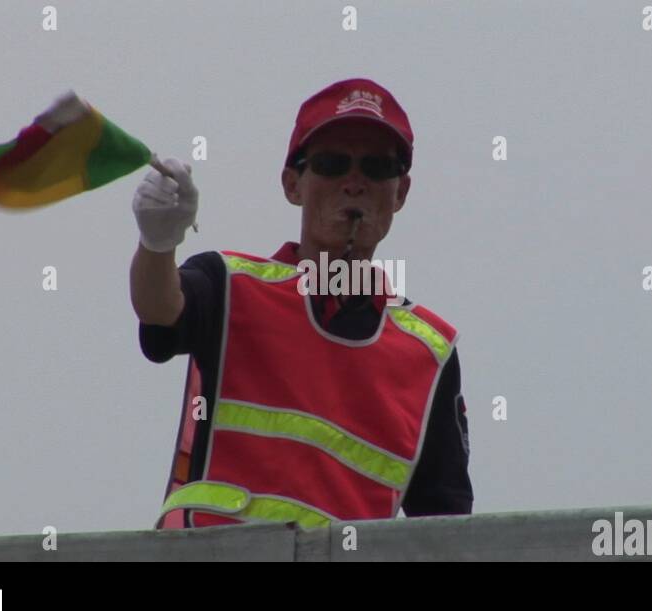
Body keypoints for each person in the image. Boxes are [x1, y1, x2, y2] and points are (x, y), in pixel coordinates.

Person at [130, 78, 473, 529]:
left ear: (400, 193)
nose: (355, 183)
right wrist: (158, 242)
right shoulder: (231, 285)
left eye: (376, 168)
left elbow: (445, 532)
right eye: (333, 164)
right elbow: (159, 309)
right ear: (293, 184)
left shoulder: (429, 353)